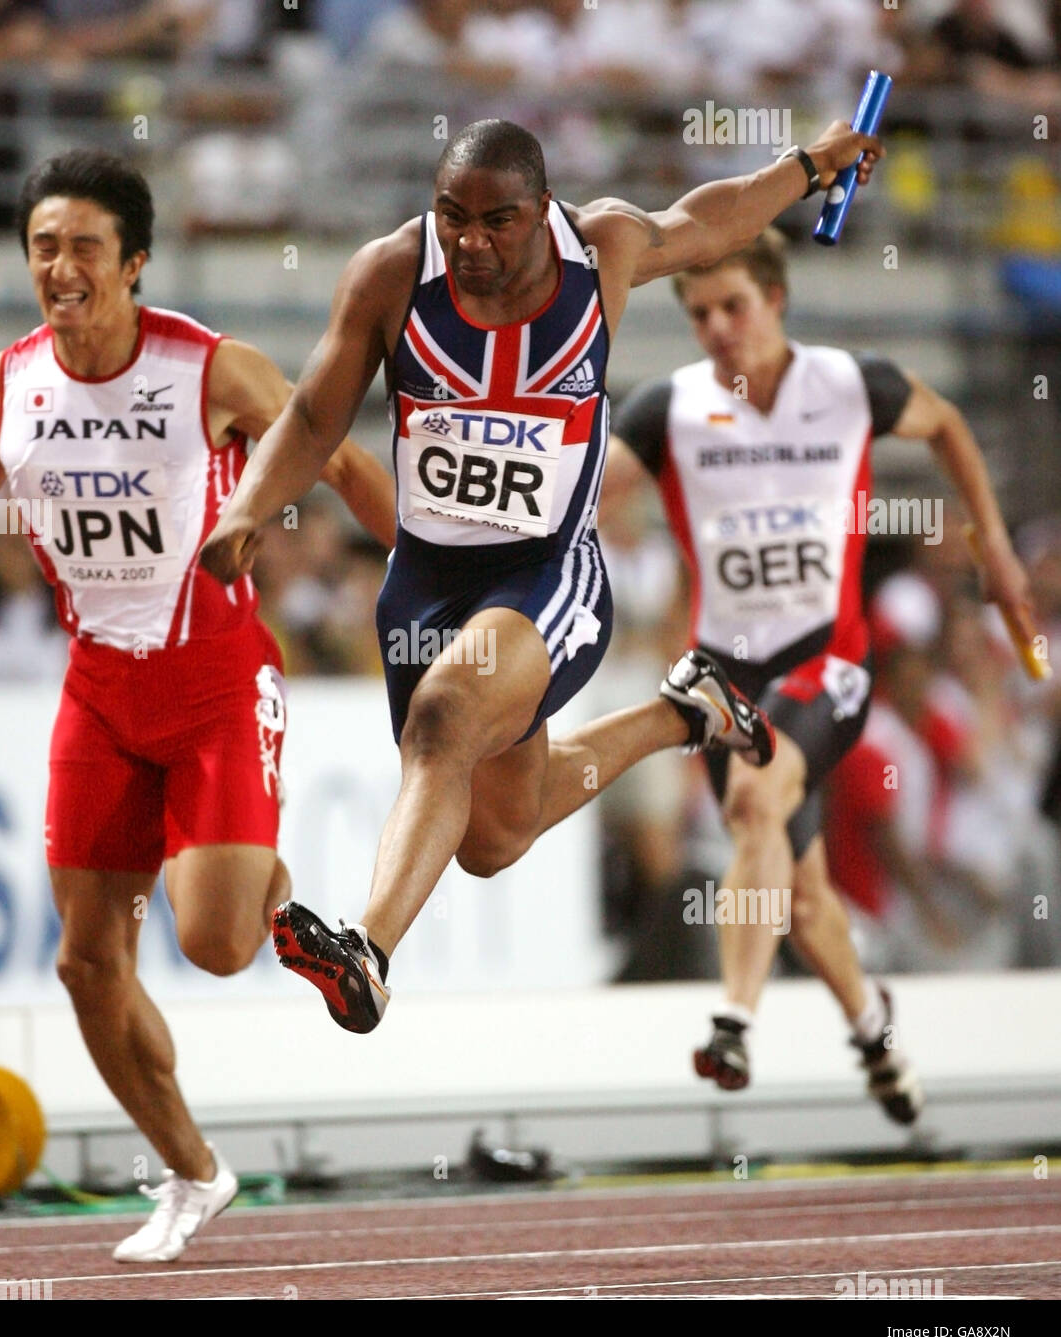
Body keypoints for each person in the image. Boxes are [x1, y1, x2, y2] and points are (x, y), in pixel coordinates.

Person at [0, 149, 397, 1258]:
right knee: (87, 965)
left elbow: (329, 456)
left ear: (133, 263)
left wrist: (429, 571)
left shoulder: (209, 370)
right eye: (43, 246)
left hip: (216, 680)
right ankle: (191, 1173)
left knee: (216, 943)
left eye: (84, 245)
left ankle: (281, 910)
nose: (60, 266)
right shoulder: (8, 386)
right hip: (98, 693)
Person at [200, 117, 887, 1035]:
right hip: (424, 585)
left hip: (545, 571)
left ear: (543, 209)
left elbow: (710, 221)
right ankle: (683, 713)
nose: (472, 242)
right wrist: (247, 509)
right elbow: (315, 418)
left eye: (499, 221)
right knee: (493, 837)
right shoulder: (391, 274)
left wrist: (808, 165)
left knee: (444, 720)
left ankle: (367, 951)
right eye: (454, 216)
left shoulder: (600, 249)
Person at [606, 227, 1039, 1123]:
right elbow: (582, 494)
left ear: (777, 299)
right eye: (699, 315)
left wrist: (993, 547)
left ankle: (734, 1020)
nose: (718, 329)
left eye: (734, 307)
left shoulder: (848, 385)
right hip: (722, 669)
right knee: (800, 895)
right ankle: (875, 1031)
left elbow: (947, 425)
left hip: (826, 656)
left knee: (754, 800)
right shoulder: (668, 408)